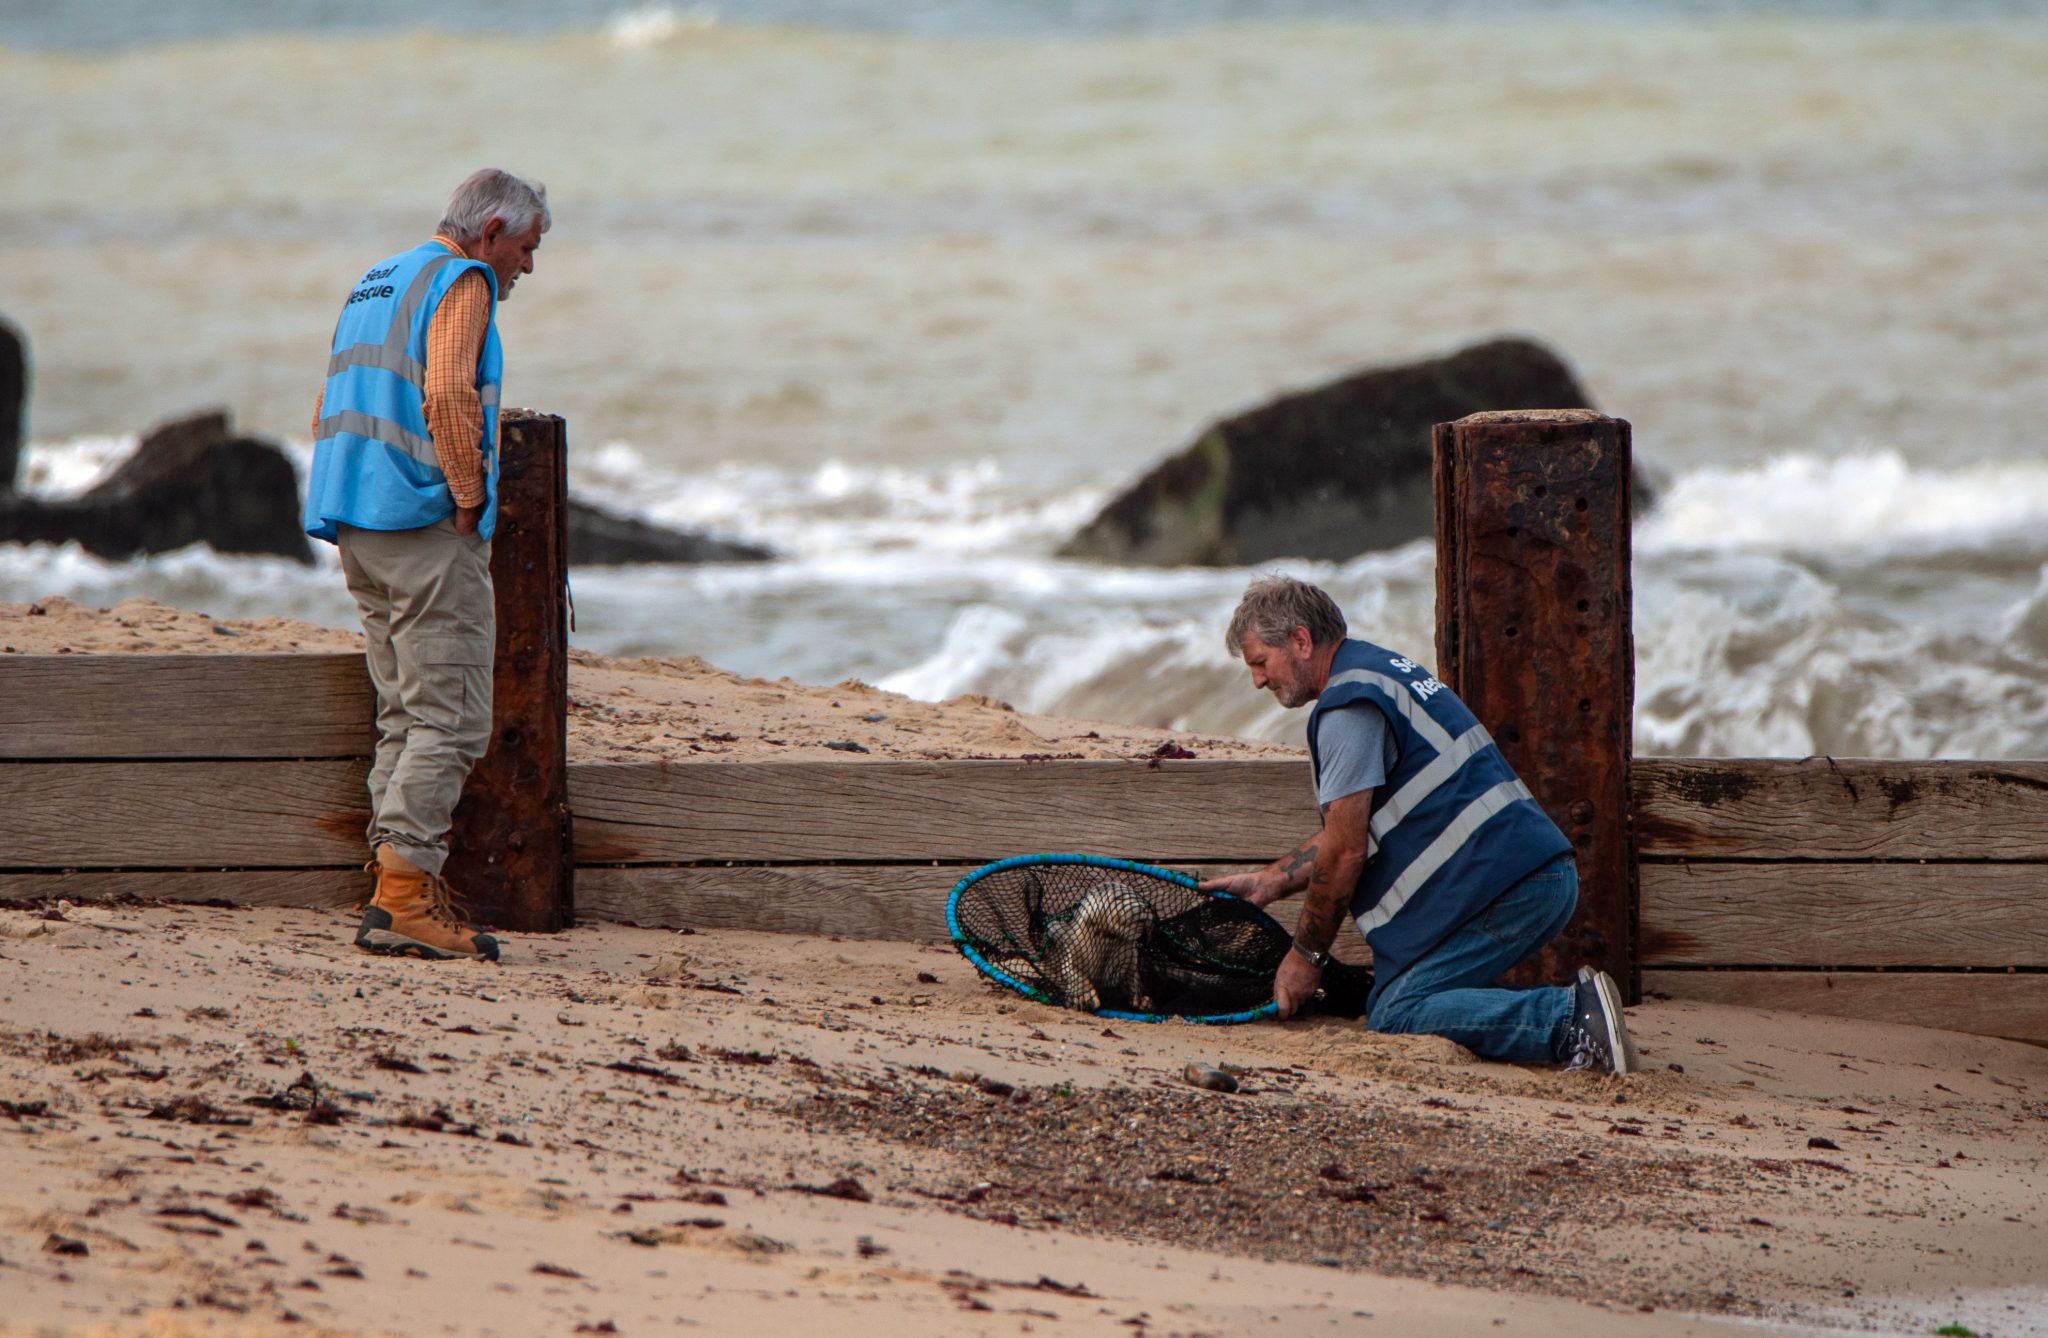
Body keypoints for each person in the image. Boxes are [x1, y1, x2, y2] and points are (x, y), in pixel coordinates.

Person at [1201, 575, 1638, 1073]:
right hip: (1528, 875)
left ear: (1300, 640)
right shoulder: (1379, 671)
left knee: (1397, 1012)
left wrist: (1306, 958)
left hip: (1510, 887)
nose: (1258, 680)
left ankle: (1569, 1018)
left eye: (1260, 662)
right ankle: (1572, 1012)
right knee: (1406, 997)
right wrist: (1272, 880)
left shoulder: (1347, 706)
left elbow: (1346, 852)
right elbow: (1351, 832)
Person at [303, 168, 551, 962]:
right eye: (526, 247)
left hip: (358, 518)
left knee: (404, 716)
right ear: (491, 233)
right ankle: (406, 898)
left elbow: (328, 402)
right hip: (419, 523)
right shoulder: (463, 281)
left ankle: (391, 886)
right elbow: (448, 395)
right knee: (450, 719)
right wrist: (471, 498)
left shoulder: (380, 278)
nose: (527, 266)